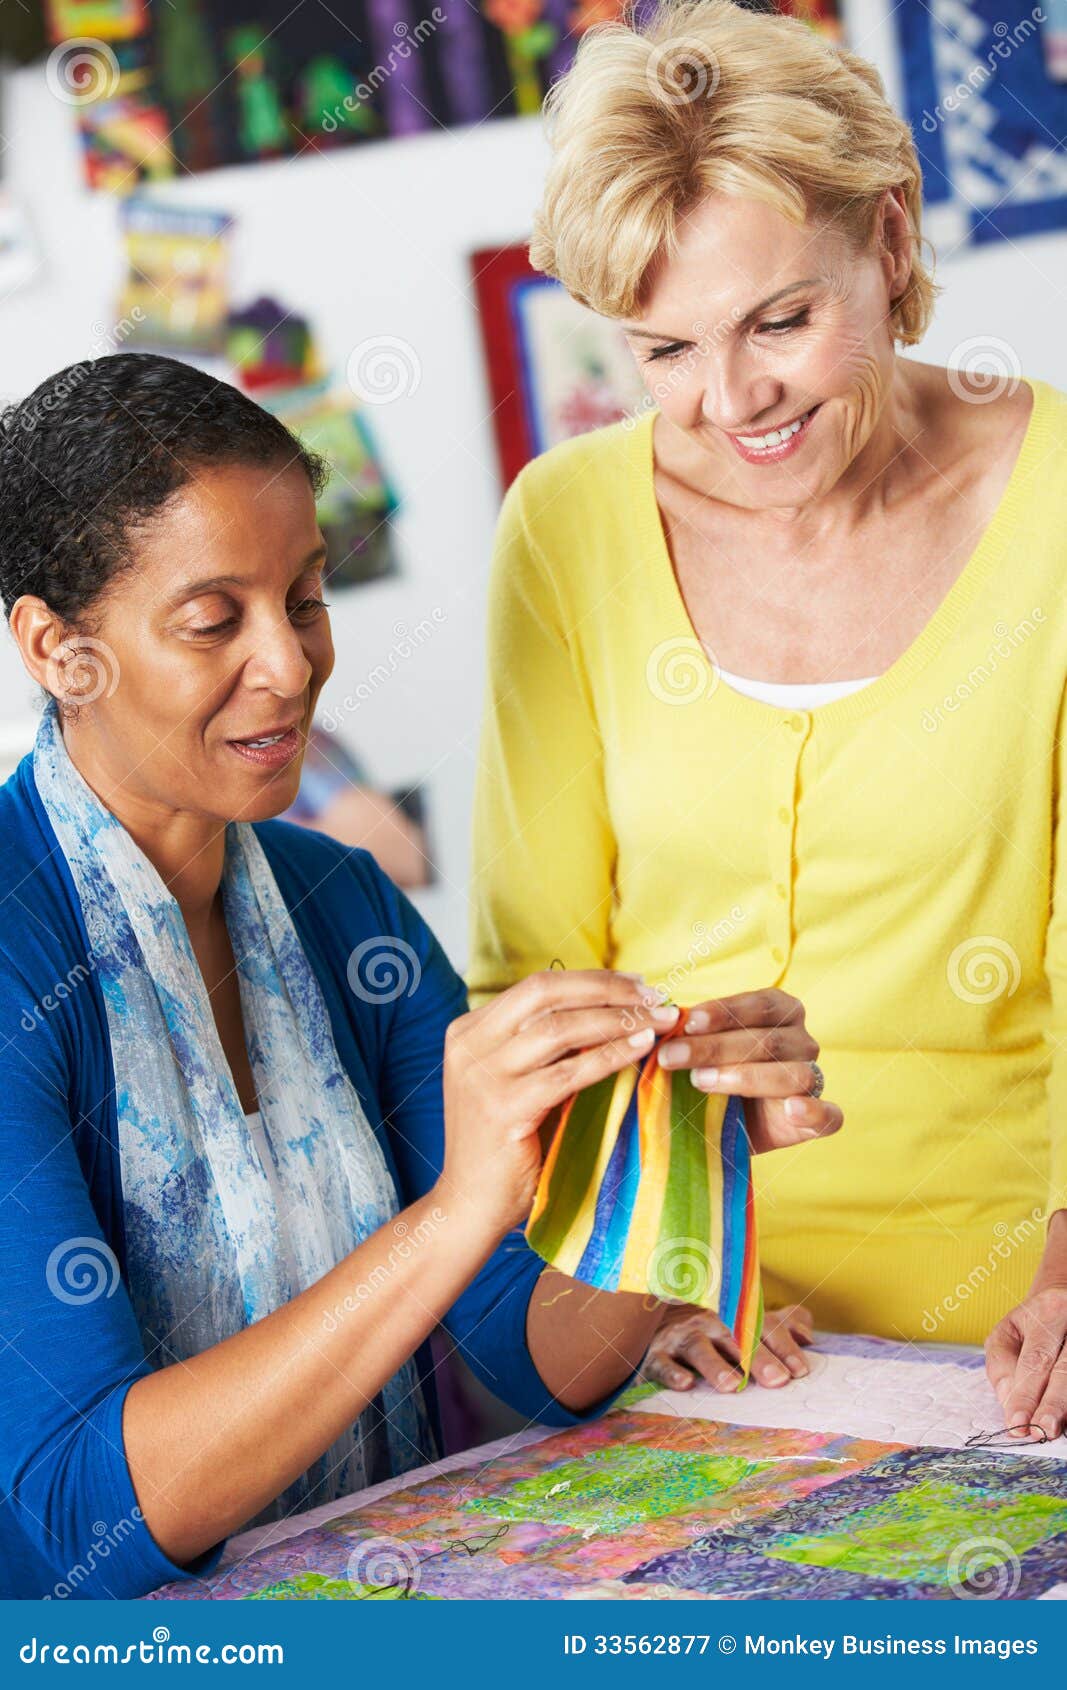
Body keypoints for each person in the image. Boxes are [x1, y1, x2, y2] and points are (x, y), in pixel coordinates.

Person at [0, 352, 841, 1599]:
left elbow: (522, 1341)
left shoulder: (342, 904)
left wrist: (678, 1154)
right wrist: (451, 1211)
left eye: (304, 598)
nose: (290, 665)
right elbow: (84, 1513)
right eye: (214, 620)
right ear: (59, 650)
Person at [467, 0, 1067, 1438]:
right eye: (662, 350)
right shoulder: (564, 523)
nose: (731, 401)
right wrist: (646, 1283)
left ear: (891, 239)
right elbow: (533, 981)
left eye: (779, 322)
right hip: (687, 1318)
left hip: (1011, 1304)